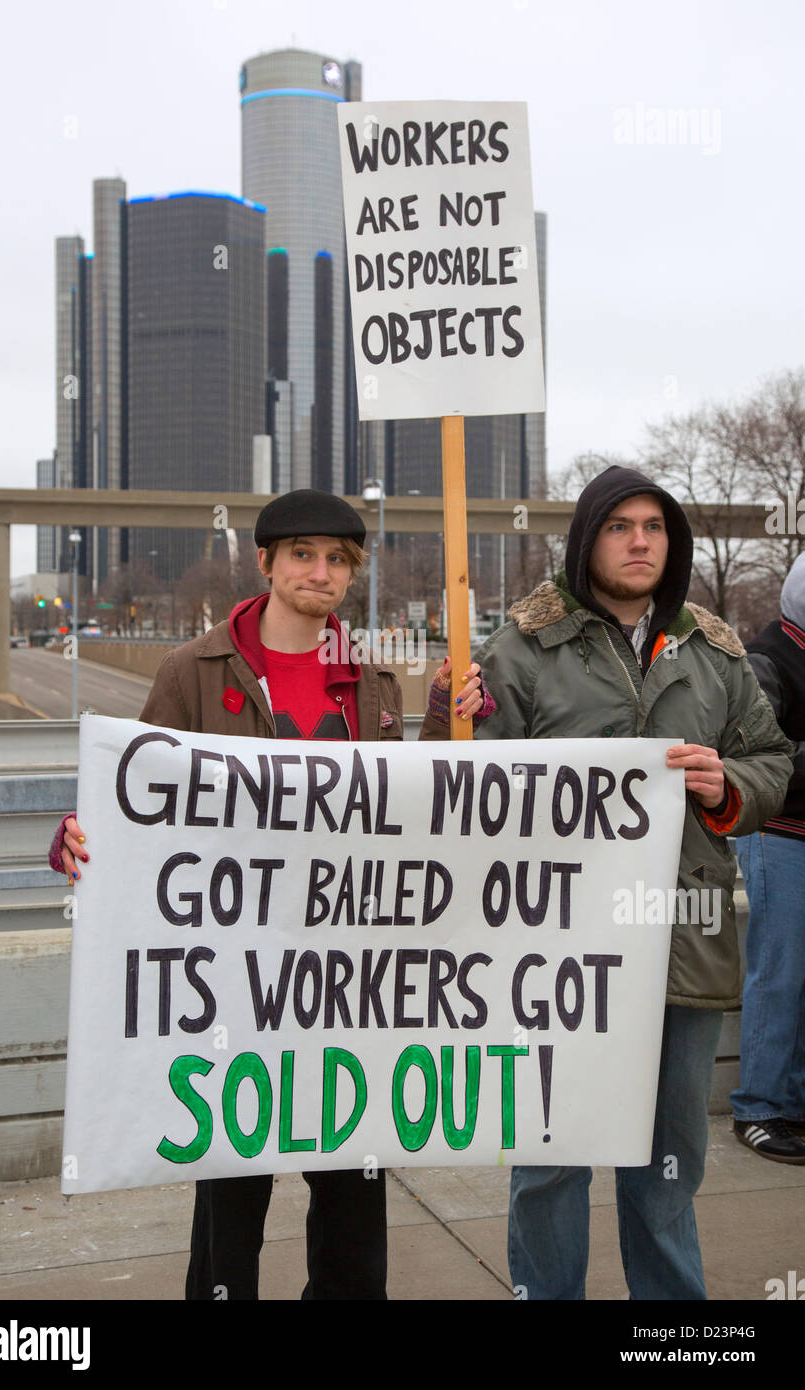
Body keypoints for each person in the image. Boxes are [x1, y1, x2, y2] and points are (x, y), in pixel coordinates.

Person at [49, 487, 481, 1300]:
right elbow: (138, 794)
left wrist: (448, 724)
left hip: (351, 981)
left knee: (354, 1189)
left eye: (338, 560)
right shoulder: (194, 671)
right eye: (304, 555)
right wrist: (77, 834)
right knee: (231, 1193)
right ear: (267, 563)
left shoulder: (373, 680)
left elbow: (408, 812)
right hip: (236, 979)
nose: (322, 572)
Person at [424, 465, 793, 1300]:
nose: (638, 541)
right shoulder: (520, 648)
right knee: (550, 1163)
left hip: (680, 943)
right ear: (587, 539)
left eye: (654, 527)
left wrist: (727, 785)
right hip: (553, 954)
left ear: (673, 542)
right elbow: (459, 792)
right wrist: (443, 715)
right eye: (620, 526)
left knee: (667, 1170)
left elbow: (773, 760)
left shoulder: (714, 650)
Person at [730, 552, 805, 1163]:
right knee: (778, 974)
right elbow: (756, 751)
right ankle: (758, 1107)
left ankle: (795, 1103)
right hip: (775, 832)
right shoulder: (767, 658)